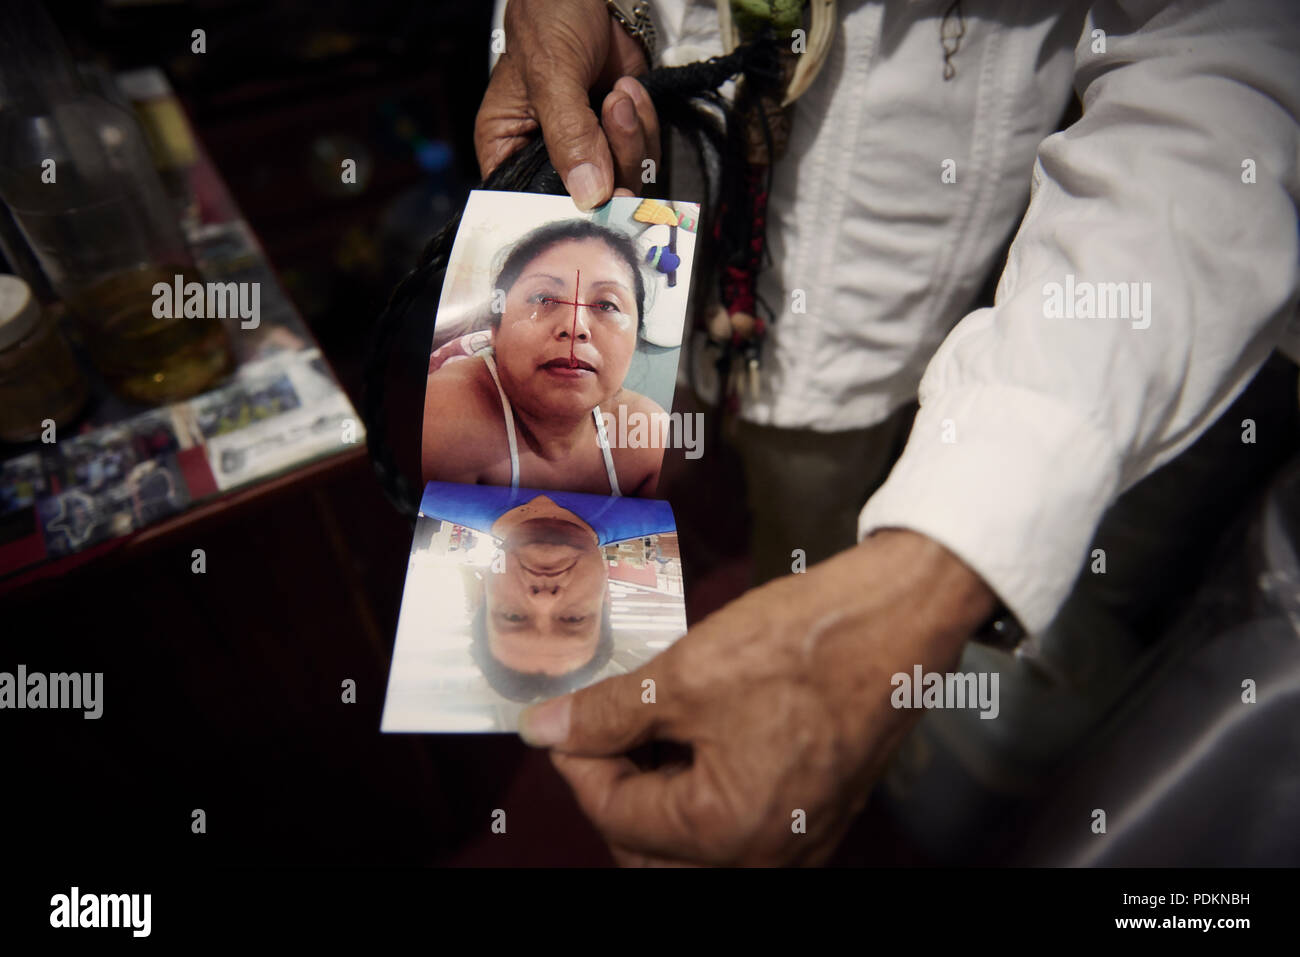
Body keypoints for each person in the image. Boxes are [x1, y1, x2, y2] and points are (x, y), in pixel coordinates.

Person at [476, 0, 1300, 865]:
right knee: (638, 463)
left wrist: (947, 555)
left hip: (868, 319)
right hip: (655, 231)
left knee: (806, 528)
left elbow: (1234, 60)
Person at [422, 219, 668, 496]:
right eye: (543, 299)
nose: (575, 327)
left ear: (635, 337)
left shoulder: (648, 434)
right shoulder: (446, 413)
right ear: (495, 329)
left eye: (606, 305)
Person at [421, 480, 678, 700]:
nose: (543, 600)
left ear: (483, 593)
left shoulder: (427, 490)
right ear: (606, 599)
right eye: (573, 619)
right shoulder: (677, 505)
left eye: (513, 617)